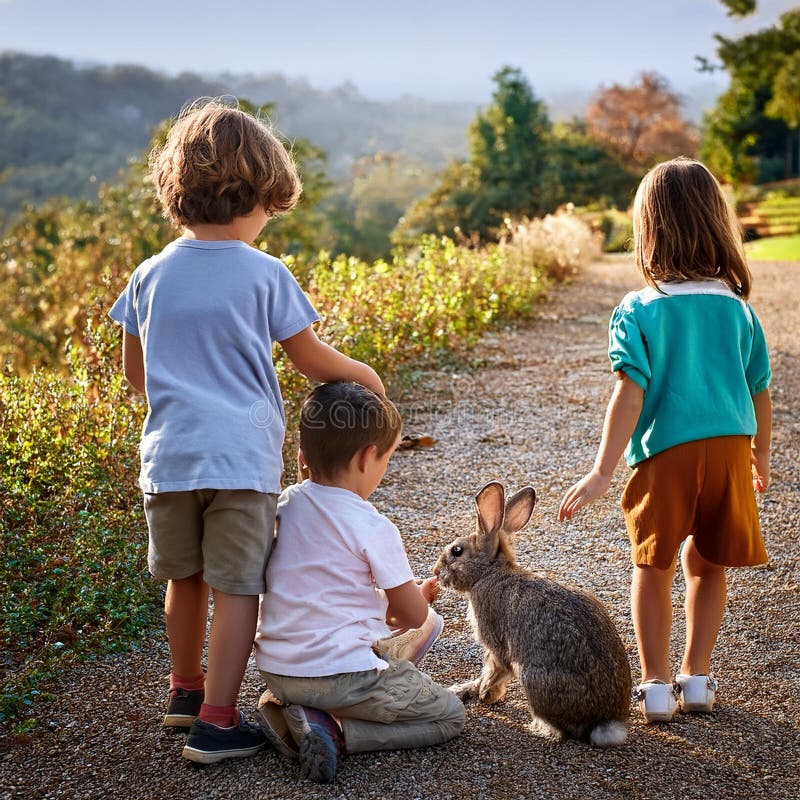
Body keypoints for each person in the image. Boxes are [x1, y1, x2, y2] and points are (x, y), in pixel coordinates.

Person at [109, 100, 384, 764]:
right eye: (269, 208)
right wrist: (367, 376)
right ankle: (217, 722)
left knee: (186, 580)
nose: (267, 223)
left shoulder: (148, 274)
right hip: (238, 459)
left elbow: (135, 376)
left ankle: (183, 693)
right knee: (239, 587)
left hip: (169, 458)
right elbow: (311, 360)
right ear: (252, 194)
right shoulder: (264, 273)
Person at [558, 157, 772, 724]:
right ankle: (696, 679)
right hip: (729, 450)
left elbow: (629, 394)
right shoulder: (738, 309)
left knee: (652, 567)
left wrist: (603, 471)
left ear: (649, 228)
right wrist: (761, 457)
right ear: (716, 224)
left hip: (666, 454)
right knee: (708, 563)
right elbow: (760, 392)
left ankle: (655, 688)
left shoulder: (640, 308)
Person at [254, 381, 465, 783]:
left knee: (396, 640)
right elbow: (412, 614)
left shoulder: (283, 505)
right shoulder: (372, 525)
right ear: (369, 458)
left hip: (279, 670)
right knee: (450, 715)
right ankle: (334, 729)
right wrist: (411, 601)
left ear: (301, 456)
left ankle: (292, 708)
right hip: (339, 678)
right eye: (387, 458)